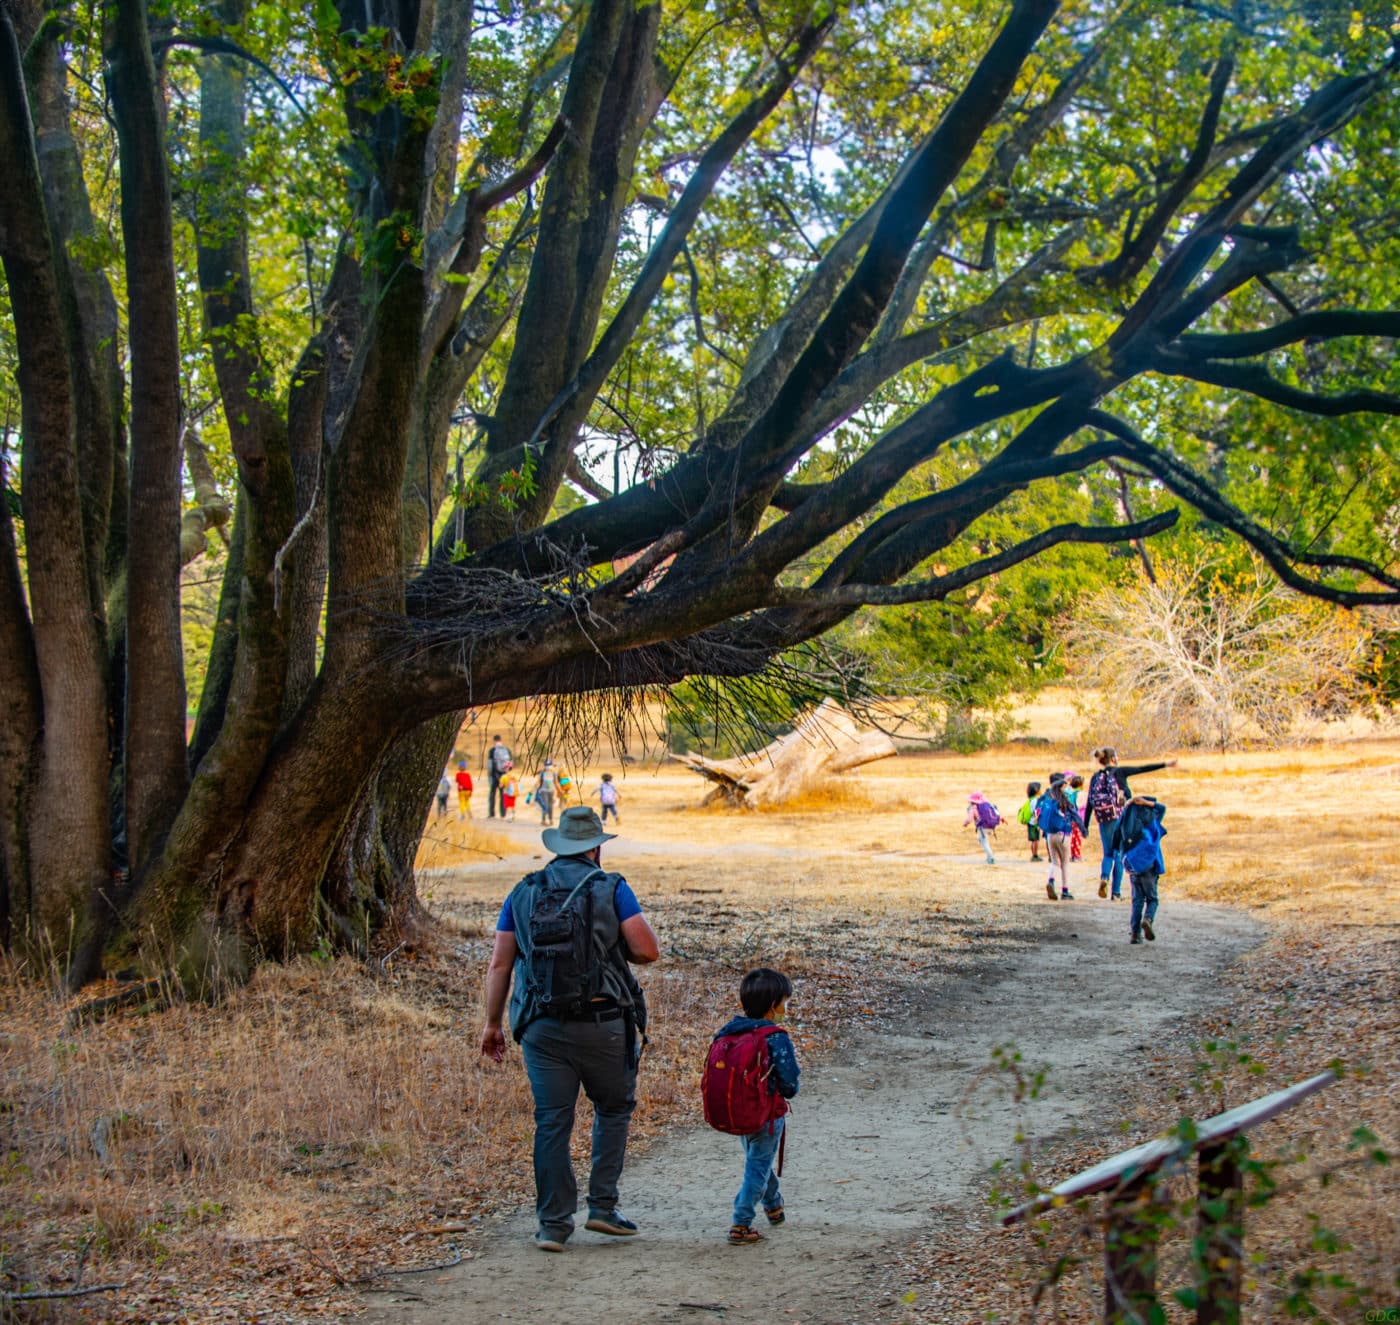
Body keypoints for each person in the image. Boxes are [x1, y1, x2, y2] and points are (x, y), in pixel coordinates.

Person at [479, 806, 660, 1252]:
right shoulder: (611, 887)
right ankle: (602, 1208)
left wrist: (492, 1023)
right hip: (604, 1024)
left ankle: (553, 1225)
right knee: (613, 1109)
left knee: (552, 1122)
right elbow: (647, 950)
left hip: (541, 1028)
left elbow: (500, 963)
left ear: (558, 846)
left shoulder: (523, 892)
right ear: (596, 847)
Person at [715, 968, 800, 1246]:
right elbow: (789, 1081)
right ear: (773, 1005)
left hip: (740, 1110)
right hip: (767, 1114)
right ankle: (741, 1223)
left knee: (758, 1163)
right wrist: (788, 1091)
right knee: (758, 1167)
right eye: (785, 1003)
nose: (785, 1010)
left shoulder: (729, 1032)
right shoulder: (775, 1037)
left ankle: (774, 1205)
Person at [1087, 748, 1178, 900]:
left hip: (1103, 819)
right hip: (1120, 818)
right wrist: (1165, 765)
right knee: (1119, 854)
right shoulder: (1119, 772)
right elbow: (1142, 768)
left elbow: (1090, 802)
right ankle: (1115, 893)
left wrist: (1085, 825)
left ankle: (1104, 878)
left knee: (1108, 853)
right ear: (1113, 758)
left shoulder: (1096, 777)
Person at [1114, 795, 1167, 943]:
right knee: (1152, 899)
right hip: (1149, 865)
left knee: (1137, 900)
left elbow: (1117, 836)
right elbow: (1162, 808)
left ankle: (1135, 935)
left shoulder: (1127, 821)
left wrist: (1128, 804)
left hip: (1133, 864)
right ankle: (1148, 920)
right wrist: (1145, 802)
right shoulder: (1152, 820)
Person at [1035, 773, 1081, 901]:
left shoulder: (1045, 797)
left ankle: (1051, 880)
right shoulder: (1065, 798)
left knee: (1055, 862)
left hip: (1049, 834)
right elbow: (1074, 813)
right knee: (1065, 862)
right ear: (1061, 785)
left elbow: (1037, 813)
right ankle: (1065, 891)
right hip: (1063, 833)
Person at [962, 792, 997, 865]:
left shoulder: (973, 808)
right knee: (985, 841)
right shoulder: (986, 805)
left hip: (982, 828)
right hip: (990, 827)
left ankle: (991, 858)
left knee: (984, 843)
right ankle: (988, 858)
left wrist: (965, 823)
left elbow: (970, 819)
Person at [487, 735, 513, 819]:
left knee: (492, 794)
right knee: (503, 795)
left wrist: (490, 775)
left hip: (495, 775)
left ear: (494, 741)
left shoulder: (492, 750)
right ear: (501, 740)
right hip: (504, 776)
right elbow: (511, 764)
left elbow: (490, 765)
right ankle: (503, 813)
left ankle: (491, 813)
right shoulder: (507, 750)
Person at [1017, 781, 1043, 862]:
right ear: (1037, 791)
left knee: (1033, 840)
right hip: (1034, 823)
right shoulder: (1036, 801)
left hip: (1030, 823)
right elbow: (1036, 812)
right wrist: (1038, 823)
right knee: (1036, 840)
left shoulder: (1029, 800)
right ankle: (1035, 855)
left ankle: (1034, 854)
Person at [1068, 773, 1086, 861]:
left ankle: (1072, 855)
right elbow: (1080, 805)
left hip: (1071, 818)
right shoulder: (1081, 794)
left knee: (1073, 837)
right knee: (1078, 837)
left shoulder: (1070, 794)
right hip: (1079, 818)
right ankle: (1077, 855)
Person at [535, 758, 558, 826]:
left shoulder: (554, 773)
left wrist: (560, 791)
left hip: (551, 791)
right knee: (545, 805)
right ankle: (543, 820)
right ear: (544, 765)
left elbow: (556, 782)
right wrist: (537, 787)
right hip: (543, 791)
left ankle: (551, 819)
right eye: (546, 765)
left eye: (549, 765)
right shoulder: (542, 773)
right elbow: (539, 781)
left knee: (551, 806)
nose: (548, 767)